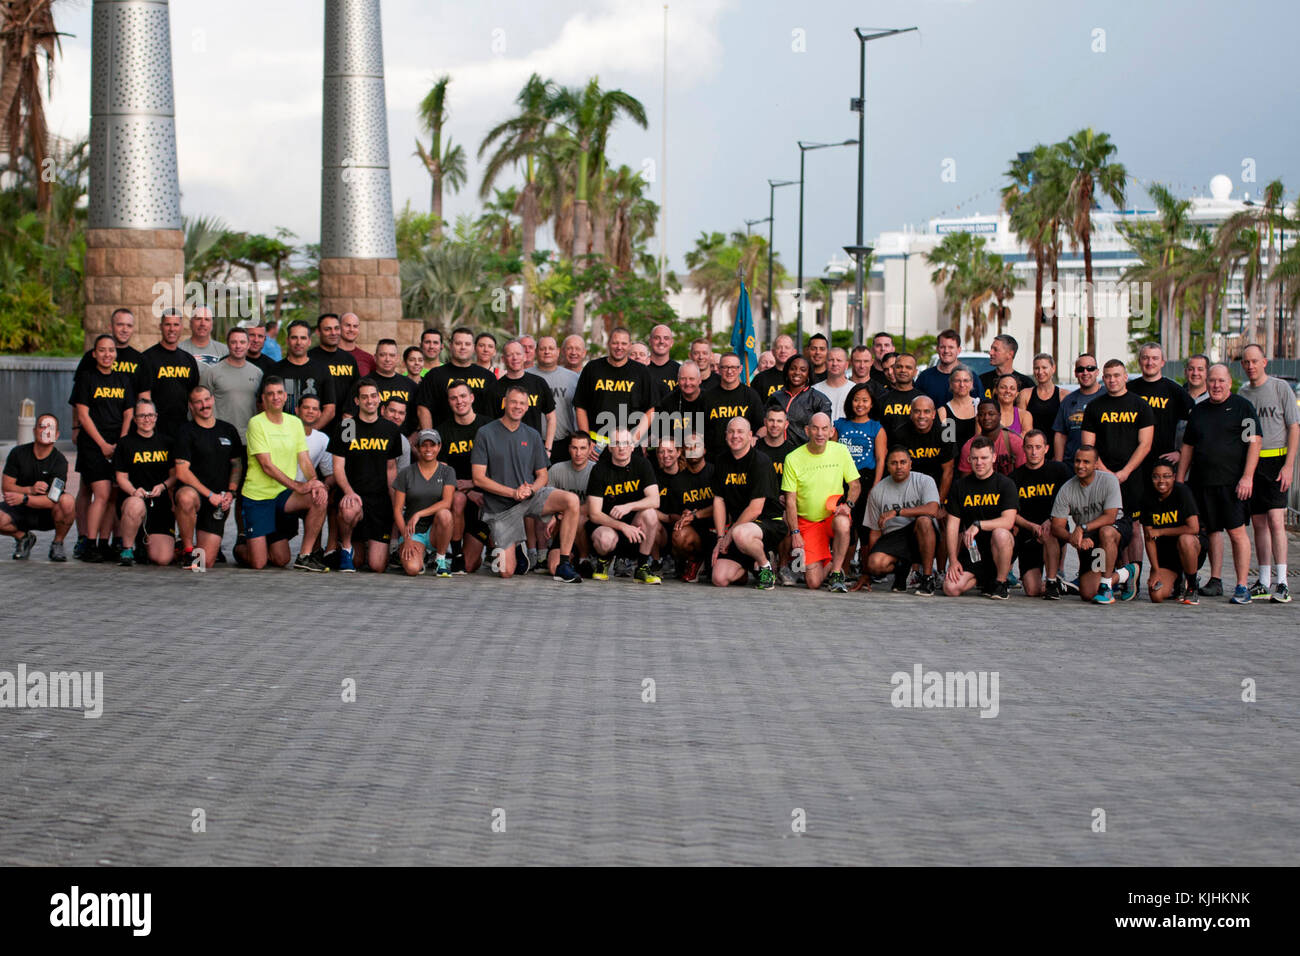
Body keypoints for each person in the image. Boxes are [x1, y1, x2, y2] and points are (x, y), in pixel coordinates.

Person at [470, 384, 583, 581]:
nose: (517, 406)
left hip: (529, 497)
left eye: (522, 403)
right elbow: (478, 478)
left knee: (571, 500)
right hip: (501, 507)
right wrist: (512, 493)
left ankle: (564, 563)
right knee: (506, 572)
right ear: (505, 403)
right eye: (513, 401)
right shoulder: (485, 433)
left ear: (527, 406)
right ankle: (515, 543)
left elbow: (542, 476)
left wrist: (531, 489)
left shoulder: (532, 435)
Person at [1177, 363, 1262, 605]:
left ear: (1230, 383)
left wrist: (1248, 477)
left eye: (1221, 381)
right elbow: (1188, 447)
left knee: (1236, 532)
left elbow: (1255, 442)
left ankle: (1242, 585)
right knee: (1213, 531)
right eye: (1212, 381)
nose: (1216, 385)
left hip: (1233, 484)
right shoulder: (1199, 411)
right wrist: (1181, 479)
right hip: (1203, 483)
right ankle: (1215, 580)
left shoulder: (1242, 408)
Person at [235, 376, 329, 572]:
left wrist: (314, 482)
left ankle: (304, 556)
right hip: (258, 496)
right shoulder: (256, 424)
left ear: (286, 396)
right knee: (259, 563)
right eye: (270, 394)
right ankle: (242, 547)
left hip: (282, 494)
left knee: (281, 559)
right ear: (263, 398)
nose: (275, 397)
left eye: (279, 393)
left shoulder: (294, 423)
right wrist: (298, 486)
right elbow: (266, 466)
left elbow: (304, 459)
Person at [1080, 358, 1155, 579]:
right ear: (1103, 379)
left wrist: (1125, 472)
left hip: (1132, 477)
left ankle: (1134, 576)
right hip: (1101, 477)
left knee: (1133, 525)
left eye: (1117, 375)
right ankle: (1112, 574)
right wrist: (1106, 472)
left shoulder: (1140, 405)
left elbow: (1146, 444)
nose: (1112, 380)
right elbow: (1087, 446)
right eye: (1108, 376)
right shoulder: (1095, 407)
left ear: (1125, 377)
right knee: (1107, 523)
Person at [1238, 343, 1298, 603]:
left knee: (1276, 521)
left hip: (1277, 461)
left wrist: (1289, 465)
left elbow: (1293, 427)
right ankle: (1263, 580)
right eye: (1246, 362)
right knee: (1259, 523)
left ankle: (1282, 581)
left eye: (1255, 361)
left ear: (1265, 362)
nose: (1250, 366)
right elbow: (1245, 434)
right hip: (1253, 464)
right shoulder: (1242, 394)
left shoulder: (1279, 388)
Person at [781, 413, 861, 592]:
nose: (820, 433)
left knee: (843, 522)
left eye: (825, 429)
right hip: (808, 523)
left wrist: (848, 505)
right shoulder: (793, 458)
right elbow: (790, 501)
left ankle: (836, 574)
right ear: (807, 430)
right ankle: (833, 562)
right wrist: (795, 532)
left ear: (831, 431)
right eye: (815, 428)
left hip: (832, 517)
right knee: (813, 582)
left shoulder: (841, 451)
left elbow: (855, 485)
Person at [73, 334, 135, 561]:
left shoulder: (123, 379)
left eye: (111, 350)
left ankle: (104, 542)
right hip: (93, 444)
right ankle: (89, 543)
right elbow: (82, 414)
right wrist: (102, 444)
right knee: (102, 492)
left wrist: (122, 442)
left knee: (113, 495)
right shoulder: (87, 379)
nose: (107, 354)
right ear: (94, 354)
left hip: (118, 442)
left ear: (115, 354)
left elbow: (129, 413)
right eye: (102, 350)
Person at [329, 379, 402, 573]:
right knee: (349, 510)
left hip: (379, 502)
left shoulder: (390, 429)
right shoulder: (347, 427)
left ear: (379, 399)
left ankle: (358, 547)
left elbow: (391, 468)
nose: (369, 401)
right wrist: (349, 492)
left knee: (376, 565)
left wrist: (395, 502)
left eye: (373, 396)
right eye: (364, 397)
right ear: (357, 401)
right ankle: (345, 547)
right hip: (354, 496)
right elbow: (338, 467)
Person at [1050, 445, 1136, 604]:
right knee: (1088, 593)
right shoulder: (1067, 488)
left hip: (1115, 526)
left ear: (1096, 464)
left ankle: (1106, 588)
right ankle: (1127, 573)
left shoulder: (1109, 480)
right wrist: (1075, 539)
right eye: (1077, 461)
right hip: (1088, 536)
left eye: (1086, 462)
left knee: (1106, 532)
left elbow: (1110, 517)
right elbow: (1056, 526)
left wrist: (1082, 528)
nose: (1080, 466)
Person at [710, 418, 784, 589]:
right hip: (739, 526)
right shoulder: (721, 460)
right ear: (726, 435)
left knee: (740, 534)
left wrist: (728, 537)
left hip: (767, 523)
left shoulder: (761, 461)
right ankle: (749, 566)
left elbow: (755, 509)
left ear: (750, 436)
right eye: (731, 431)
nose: (735, 436)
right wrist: (720, 538)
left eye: (740, 432)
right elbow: (719, 500)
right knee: (719, 579)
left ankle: (765, 566)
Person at [173, 385, 242, 569]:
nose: (204, 405)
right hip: (197, 495)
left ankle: (184, 551)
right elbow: (182, 472)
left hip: (218, 501)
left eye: (206, 400)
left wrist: (231, 493)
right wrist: (210, 495)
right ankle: (187, 549)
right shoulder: (186, 431)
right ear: (191, 406)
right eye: (198, 402)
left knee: (205, 563)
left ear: (212, 399)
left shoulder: (228, 430)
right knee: (186, 497)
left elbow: (236, 464)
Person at [857, 447, 940, 595]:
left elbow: (933, 510)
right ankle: (902, 569)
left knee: (924, 520)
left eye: (903, 462)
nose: (899, 466)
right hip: (893, 536)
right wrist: (867, 572)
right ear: (887, 466)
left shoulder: (925, 481)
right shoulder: (878, 490)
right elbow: (874, 532)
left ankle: (927, 578)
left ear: (910, 464)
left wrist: (898, 512)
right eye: (894, 463)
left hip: (919, 532)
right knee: (875, 564)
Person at [944, 437, 1018, 599]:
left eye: (984, 458)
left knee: (1001, 533)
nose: (979, 462)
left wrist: (978, 524)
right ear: (969, 459)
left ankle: (1000, 582)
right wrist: (953, 560)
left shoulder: (1005, 484)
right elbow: (952, 526)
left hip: (998, 548)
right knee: (951, 588)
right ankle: (983, 579)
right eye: (975, 458)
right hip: (973, 551)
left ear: (993, 458)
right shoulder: (960, 486)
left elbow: (1008, 521)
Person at [585, 429, 662, 583]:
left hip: (634, 526)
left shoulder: (642, 464)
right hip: (607, 524)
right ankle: (603, 561)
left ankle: (642, 567)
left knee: (651, 514)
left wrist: (629, 506)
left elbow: (655, 500)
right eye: (616, 443)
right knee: (605, 539)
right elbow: (594, 514)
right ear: (610, 447)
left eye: (626, 443)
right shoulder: (599, 469)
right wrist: (622, 526)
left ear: (633, 446)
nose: (622, 448)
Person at [1, 412, 74, 561]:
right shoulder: (17, 453)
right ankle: (23, 538)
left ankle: (57, 543)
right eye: (42, 427)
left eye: (51, 428)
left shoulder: (60, 462)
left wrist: (25, 498)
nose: (46, 431)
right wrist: (29, 490)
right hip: (20, 509)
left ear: (57, 434)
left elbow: (54, 499)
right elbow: (6, 487)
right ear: (34, 431)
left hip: (47, 513)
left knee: (68, 501)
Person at [113, 399, 177, 567]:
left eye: (150, 415)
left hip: (159, 504)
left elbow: (175, 476)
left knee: (162, 559)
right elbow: (121, 478)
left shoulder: (167, 442)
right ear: (134, 419)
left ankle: (144, 543)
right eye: (141, 415)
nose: (146, 419)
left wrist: (163, 486)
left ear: (156, 417)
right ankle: (127, 549)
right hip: (134, 500)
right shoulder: (125, 443)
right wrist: (134, 492)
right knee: (135, 505)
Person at [574, 327, 657, 448]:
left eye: (623, 343)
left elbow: (650, 410)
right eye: (615, 343)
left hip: (628, 444)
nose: (619, 347)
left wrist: (633, 440)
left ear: (629, 346)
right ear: (608, 343)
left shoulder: (641, 372)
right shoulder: (592, 368)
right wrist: (586, 441)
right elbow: (580, 406)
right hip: (596, 445)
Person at [1010, 429, 1070, 598]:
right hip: (1028, 533)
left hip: (1054, 528)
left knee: (1049, 532)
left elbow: (1070, 501)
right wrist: (1030, 525)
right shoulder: (1015, 477)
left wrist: (1052, 520)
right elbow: (1011, 513)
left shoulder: (1059, 471)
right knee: (1032, 590)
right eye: (1029, 447)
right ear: (1023, 449)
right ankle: (1060, 585)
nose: (1034, 452)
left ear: (1046, 448)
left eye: (1038, 447)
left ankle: (1051, 581)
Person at [438, 380, 490, 575]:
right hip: (457, 495)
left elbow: (497, 467)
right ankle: (457, 554)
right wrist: (468, 490)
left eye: (462, 396)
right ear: (449, 402)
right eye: (453, 398)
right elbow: (442, 473)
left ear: (471, 398)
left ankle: (496, 550)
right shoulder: (443, 431)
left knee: (472, 566)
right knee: (458, 499)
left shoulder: (488, 426)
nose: (459, 401)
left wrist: (474, 484)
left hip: (486, 497)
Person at [392, 429, 455, 576]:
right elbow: (397, 509)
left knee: (445, 514)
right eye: (424, 445)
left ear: (439, 447)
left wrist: (419, 514)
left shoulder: (447, 471)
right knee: (413, 569)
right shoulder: (406, 473)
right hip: (413, 531)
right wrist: (406, 538)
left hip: (435, 530)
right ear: (417, 447)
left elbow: (447, 502)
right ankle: (421, 556)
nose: (428, 449)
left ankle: (440, 559)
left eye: (432, 445)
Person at [1141, 461, 1205, 605]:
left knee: (1185, 540)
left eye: (1166, 476)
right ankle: (1178, 580)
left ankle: (1192, 586)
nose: (1161, 481)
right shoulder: (1147, 497)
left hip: (1191, 548)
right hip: (1166, 554)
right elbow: (1148, 537)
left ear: (1174, 477)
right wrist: (1155, 570)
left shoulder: (1182, 492)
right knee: (1156, 595)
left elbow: (1193, 528)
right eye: (1156, 477)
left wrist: (1161, 531)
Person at [833, 382, 886, 544]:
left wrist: (875, 487)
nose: (860, 404)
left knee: (864, 528)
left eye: (865, 400)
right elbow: (831, 454)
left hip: (866, 479)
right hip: (841, 480)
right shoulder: (839, 425)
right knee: (845, 525)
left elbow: (880, 459)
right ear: (850, 401)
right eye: (856, 400)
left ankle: (864, 568)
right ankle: (844, 567)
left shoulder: (876, 428)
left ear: (871, 404)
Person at [135, 309, 199, 438]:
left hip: (182, 428)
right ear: (160, 327)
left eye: (176, 325)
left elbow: (194, 398)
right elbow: (143, 398)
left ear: (181, 327)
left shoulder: (188, 360)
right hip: (155, 430)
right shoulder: (146, 358)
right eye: (167, 324)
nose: (172, 329)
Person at [659, 432, 714, 582]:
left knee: (730, 578)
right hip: (694, 532)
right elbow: (673, 514)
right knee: (678, 533)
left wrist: (696, 514)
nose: (693, 450)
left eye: (697, 446)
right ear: (683, 451)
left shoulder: (715, 473)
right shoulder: (677, 481)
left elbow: (723, 506)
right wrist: (682, 517)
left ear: (704, 450)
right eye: (689, 447)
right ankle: (694, 561)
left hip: (717, 531)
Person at [415, 327, 495, 429]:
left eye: (467, 344)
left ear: (473, 347)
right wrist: (430, 437)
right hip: (444, 439)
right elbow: (423, 408)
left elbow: (494, 410)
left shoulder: (487, 376)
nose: (463, 347)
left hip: (481, 438)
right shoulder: (434, 375)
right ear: (450, 346)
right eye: (458, 343)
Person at [488, 340, 556, 452]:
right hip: (504, 450)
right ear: (503, 359)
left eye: (518, 354)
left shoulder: (538, 383)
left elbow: (551, 417)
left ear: (525, 357)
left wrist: (547, 448)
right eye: (510, 355)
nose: (515, 358)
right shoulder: (495, 388)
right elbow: (490, 425)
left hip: (534, 449)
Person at [199, 326, 262, 444]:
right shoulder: (212, 373)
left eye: (242, 342)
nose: (238, 346)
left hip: (251, 438)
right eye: (234, 342)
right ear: (227, 345)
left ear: (248, 345)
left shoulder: (257, 373)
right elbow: (199, 405)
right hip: (220, 438)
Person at [546, 432, 597, 572]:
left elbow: (594, 506)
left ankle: (585, 558)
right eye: (574, 448)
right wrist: (555, 516)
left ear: (590, 449)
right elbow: (546, 500)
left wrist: (563, 514)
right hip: (563, 528)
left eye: (582, 448)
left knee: (579, 517)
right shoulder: (556, 470)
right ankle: (569, 559)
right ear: (569, 448)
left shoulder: (597, 471)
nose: (578, 453)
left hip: (586, 530)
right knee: (553, 568)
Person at [270, 319, 336, 425]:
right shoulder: (274, 370)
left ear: (309, 341)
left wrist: (310, 433)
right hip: (280, 435)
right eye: (294, 338)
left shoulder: (322, 370)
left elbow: (330, 409)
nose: (299, 342)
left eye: (303, 338)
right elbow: (263, 404)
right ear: (287, 341)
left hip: (311, 436)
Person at [701, 353, 763, 460]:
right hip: (713, 459)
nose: (729, 371)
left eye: (734, 367)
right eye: (725, 367)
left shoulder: (751, 395)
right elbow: (697, 428)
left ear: (740, 369)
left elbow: (762, 426)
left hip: (743, 459)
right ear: (719, 369)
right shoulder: (707, 397)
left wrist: (755, 438)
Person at [532, 336, 579, 463]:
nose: (547, 352)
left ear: (558, 352)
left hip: (564, 442)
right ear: (536, 352)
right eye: (543, 349)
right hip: (532, 441)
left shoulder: (573, 378)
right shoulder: (526, 376)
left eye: (551, 348)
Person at [765, 356, 831, 444]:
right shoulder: (776, 396)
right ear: (787, 371)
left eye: (803, 370)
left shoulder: (819, 399)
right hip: (777, 450)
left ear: (808, 374)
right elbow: (765, 424)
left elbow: (824, 431)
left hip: (805, 452)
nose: (797, 372)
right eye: (793, 369)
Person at [1052, 353, 1103, 465]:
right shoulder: (1068, 401)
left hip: (1103, 466)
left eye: (1090, 368)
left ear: (1097, 372)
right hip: (1073, 466)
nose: (1085, 373)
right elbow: (1060, 434)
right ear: (1075, 373)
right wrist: (1059, 465)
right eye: (1080, 369)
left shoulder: (1107, 396)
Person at [309, 313, 360, 417]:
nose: (333, 333)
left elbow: (357, 390)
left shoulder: (349, 359)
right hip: (317, 420)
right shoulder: (310, 358)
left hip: (346, 422)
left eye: (336, 328)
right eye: (328, 329)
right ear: (318, 332)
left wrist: (350, 413)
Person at [958, 400, 1025, 476]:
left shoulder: (1015, 442)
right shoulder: (969, 446)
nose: (986, 418)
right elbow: (965, 482)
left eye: (991, 414)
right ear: (977, 418)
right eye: (982, 414)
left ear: (999, 416)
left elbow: (1023, 476)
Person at [658, 361, 709, 450]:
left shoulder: (710, 400)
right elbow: (664, 435)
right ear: (677, 380)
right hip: (677, 453)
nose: (687, 383)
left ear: (700, 380)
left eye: (691, 379)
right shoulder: (667, 402)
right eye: (683, 379)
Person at [875, 352, 920, 441]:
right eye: (899, 367)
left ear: (915, 372)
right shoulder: (881, 400)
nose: (903, 370)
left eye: (908, 367)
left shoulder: (922, 400)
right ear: (894, 369)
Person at [1017, 353, 1062, 439]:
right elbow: (1020, 426)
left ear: (1053, 368)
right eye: (1036, 368)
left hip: (1055, 446)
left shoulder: (1063, 395)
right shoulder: (1025, 394)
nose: (1040, 372)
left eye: (1044, 368)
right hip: (1032, 447)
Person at [979, 333, 1033, 399]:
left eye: (995, 350)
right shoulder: (981, 380)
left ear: (1010, 354)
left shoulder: (1026, 384)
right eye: (991, 349)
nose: (990, 352)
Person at [370, 339, 416, 416]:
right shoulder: (363, 384)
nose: (387, 359)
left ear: (397, 358)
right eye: (383, 355)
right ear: (375, 358)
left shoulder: (410, 385)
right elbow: (349, 415)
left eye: (392, 355)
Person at [938, 365, 979, 452]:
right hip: (954, 462)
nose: (962, 385)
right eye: (957, 381)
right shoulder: (943, 412)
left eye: (966, 380)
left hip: (978, 461)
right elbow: (946, 444)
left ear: (972, 383)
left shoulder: (979, 406)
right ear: (951, 383)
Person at [916, 329, 962, 406]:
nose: (946, 351)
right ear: (937, 349)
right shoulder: (925, 377)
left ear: (959, 350)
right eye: (942, 347)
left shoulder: (970, 378)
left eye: (951, 347)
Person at [751, 334, 798, 400]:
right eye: (779, 347)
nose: (783, 351)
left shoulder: (802, 377)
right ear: (773, 352)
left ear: (794, 352)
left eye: (787, 347)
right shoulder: (760, 379)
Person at [812, 348, 853, 419]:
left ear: (846, 365)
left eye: (839, 360)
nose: (834, 364)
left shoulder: (854, 389)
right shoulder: (814, 390)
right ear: (825, 364)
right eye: (831, 360)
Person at [339, 312, 375, 376]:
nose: (351, 329)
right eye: (347, 325)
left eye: (355, 326)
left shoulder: (369, 359)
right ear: (339, 327)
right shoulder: (327, 355)